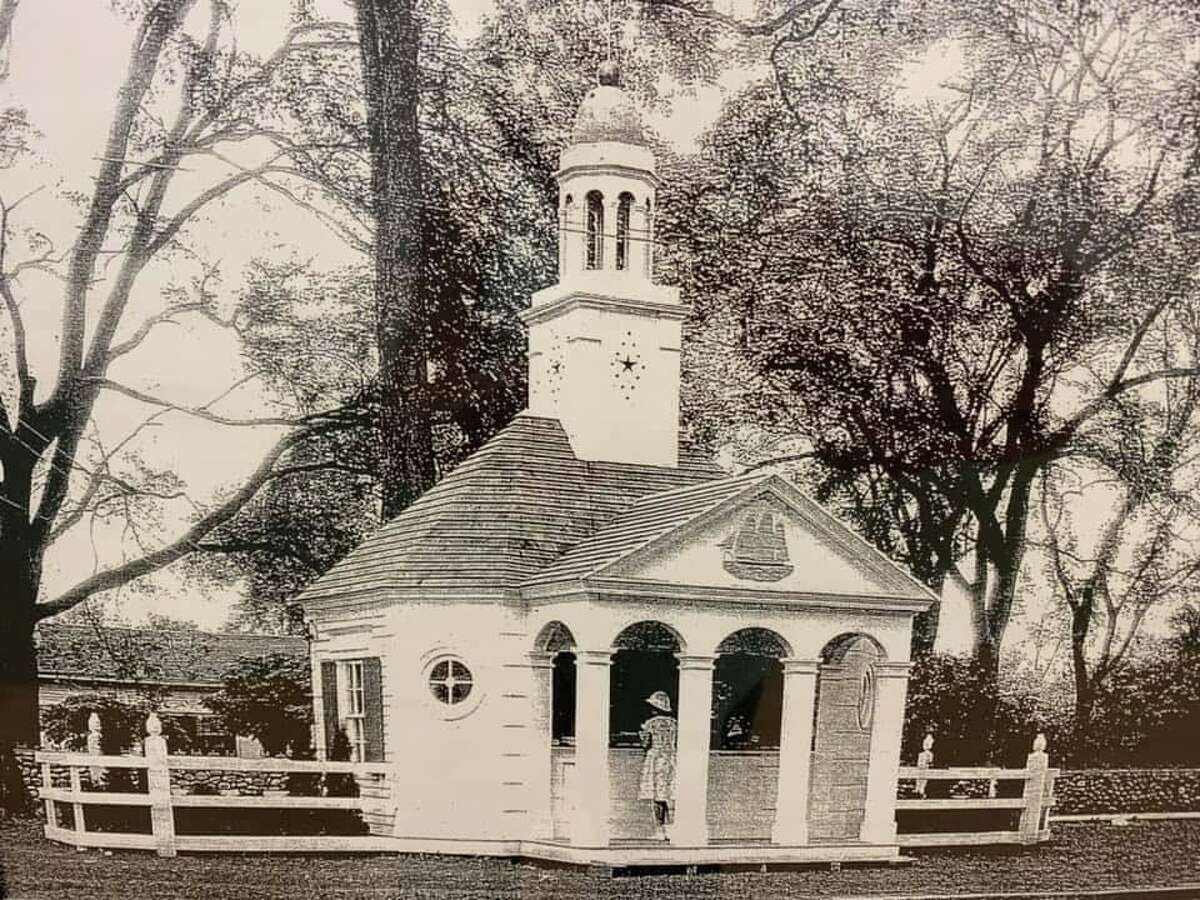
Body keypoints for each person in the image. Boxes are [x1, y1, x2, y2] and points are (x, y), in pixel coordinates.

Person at [638, 690, 677, 841]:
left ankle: (660, 829)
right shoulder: (674, 724)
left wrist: (642, 735)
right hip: (671, 758)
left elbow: (645, 744)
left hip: (655, 759)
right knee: (668, 795)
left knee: (657, 796)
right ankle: (670, 827)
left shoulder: (650, 724)